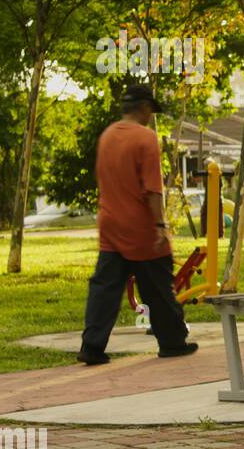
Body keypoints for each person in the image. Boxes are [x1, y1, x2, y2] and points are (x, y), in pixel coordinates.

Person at [78, 84, 197, 365]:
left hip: (109, 223)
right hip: (140, 226)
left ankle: (91, 347)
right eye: (150, 111)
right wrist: (159, 225)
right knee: (158, 285)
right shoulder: (145, 138)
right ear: (144, 108)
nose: (150, 117)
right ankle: (172, 342)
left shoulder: (107, 136)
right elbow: (152, 189)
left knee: (105, 289)